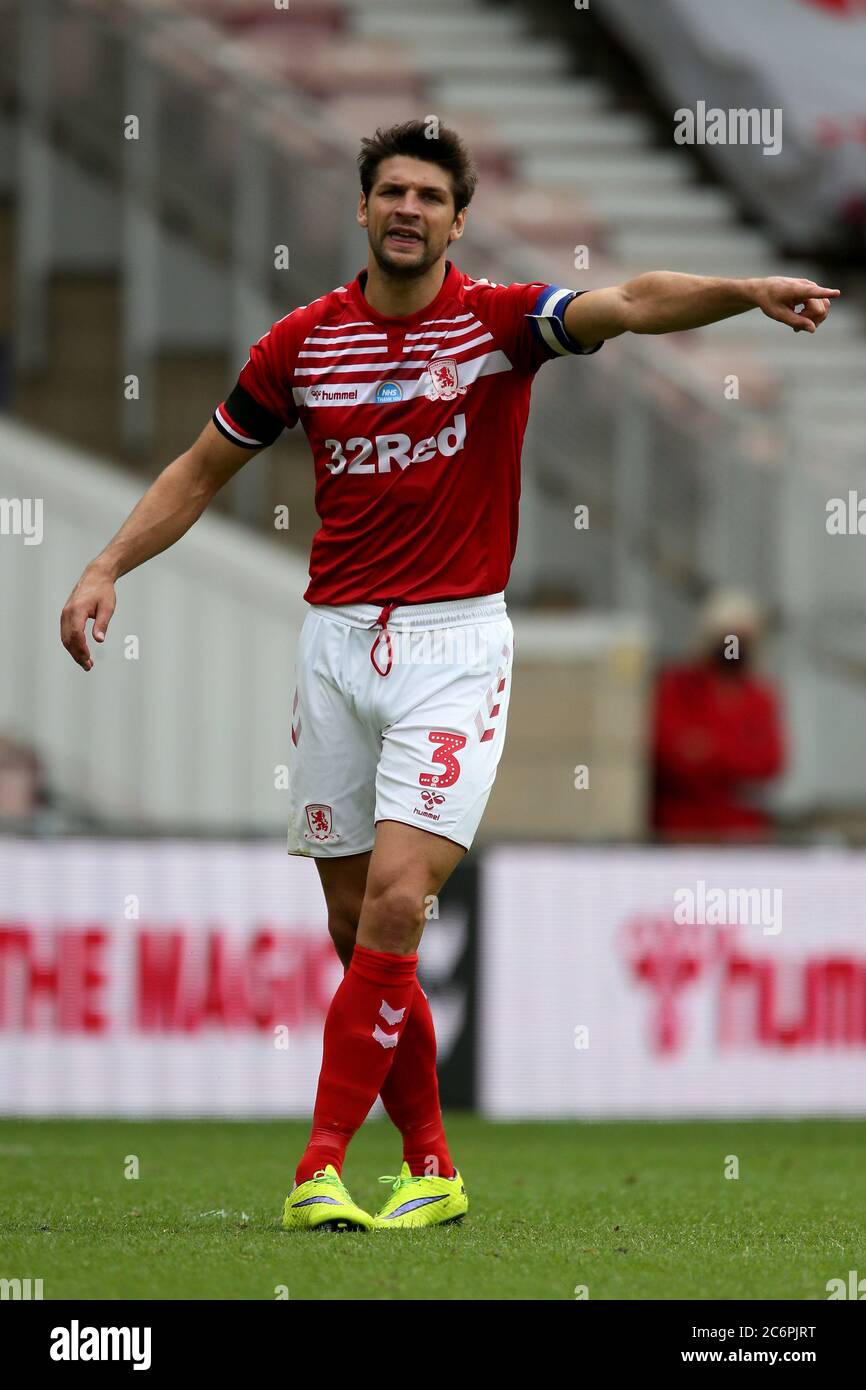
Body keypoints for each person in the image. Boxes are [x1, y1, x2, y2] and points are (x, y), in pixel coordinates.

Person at [60, 120, 838, 1231]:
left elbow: (631, 301)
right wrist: (104, 563)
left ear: (457, 219)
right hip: (333, 642)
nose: (409, 208)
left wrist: (741, 291)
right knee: (353, 928)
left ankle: (318, 1165)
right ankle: (430, 1162)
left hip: (454, 647)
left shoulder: (498, 325)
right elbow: (200, 466)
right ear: (365, 209)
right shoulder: (301, 344)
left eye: (430, 193)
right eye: (391, 191)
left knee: (395, 895)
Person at [652, 589, 786, 842]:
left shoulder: (760, 697)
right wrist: (735, 760)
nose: (735, 647)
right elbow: (668, 753)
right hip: (682, 831)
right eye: (729, 638)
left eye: (742, 639)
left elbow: (770, 761)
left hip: (743, 834)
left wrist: (708, 751)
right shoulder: (677, 689)